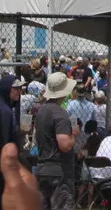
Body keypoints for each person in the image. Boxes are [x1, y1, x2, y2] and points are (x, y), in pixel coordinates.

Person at [33, 71, 78, 210]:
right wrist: (74, 135)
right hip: (59, 171)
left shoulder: (41, 111)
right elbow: (65, 145)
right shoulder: (60, 114)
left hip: (43, 168)